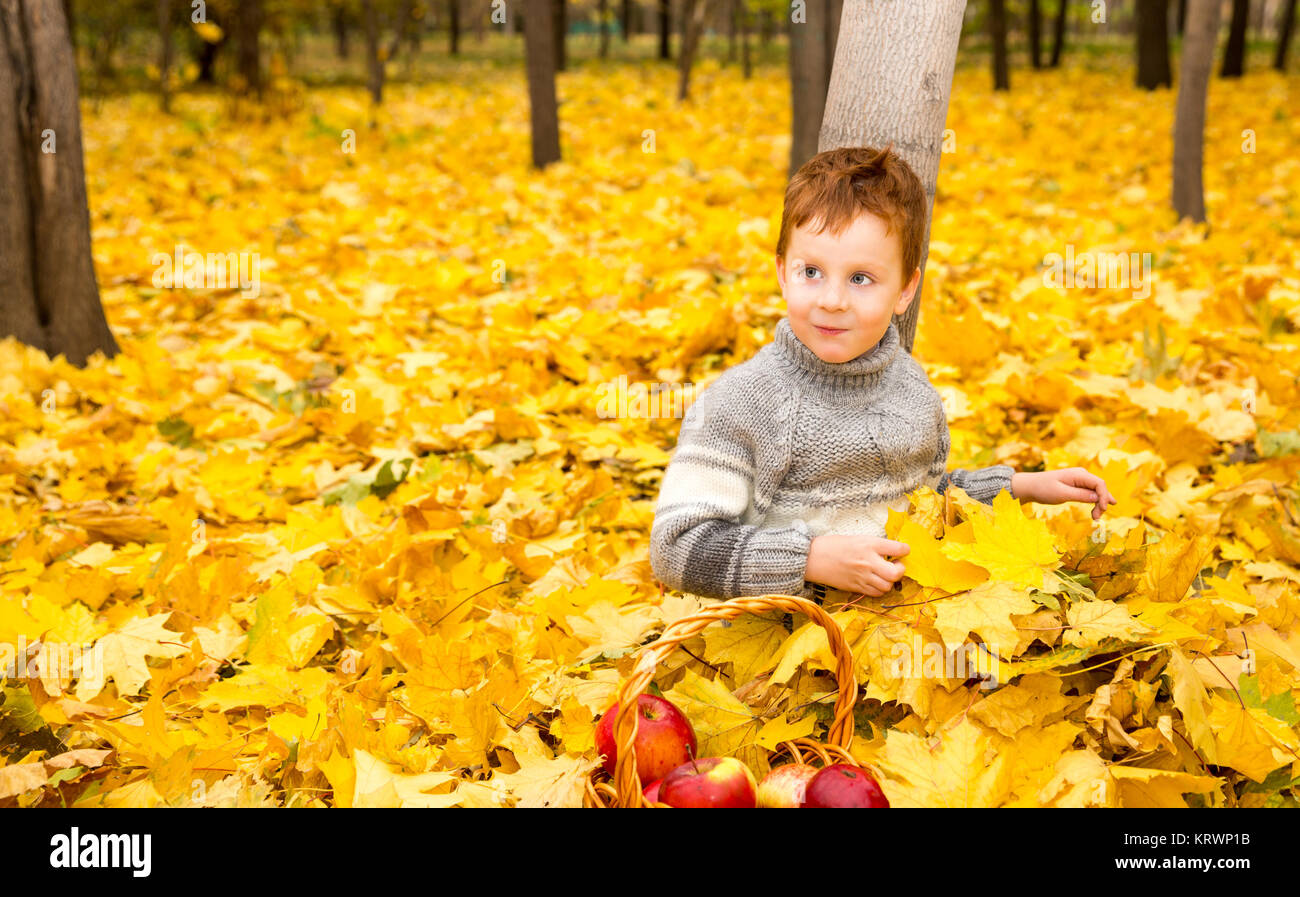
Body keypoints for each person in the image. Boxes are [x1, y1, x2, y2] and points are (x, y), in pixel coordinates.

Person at [649, 145, 1116, 604]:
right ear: (781, 274)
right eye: (811, 271)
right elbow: (675, 547)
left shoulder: (912, 390)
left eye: (860, 279)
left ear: (904, 291)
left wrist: (1023, 486)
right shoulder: (741, 402)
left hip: (897, 632)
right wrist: (807, 558)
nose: (832, 299)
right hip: (784, 649)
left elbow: (923, 502)